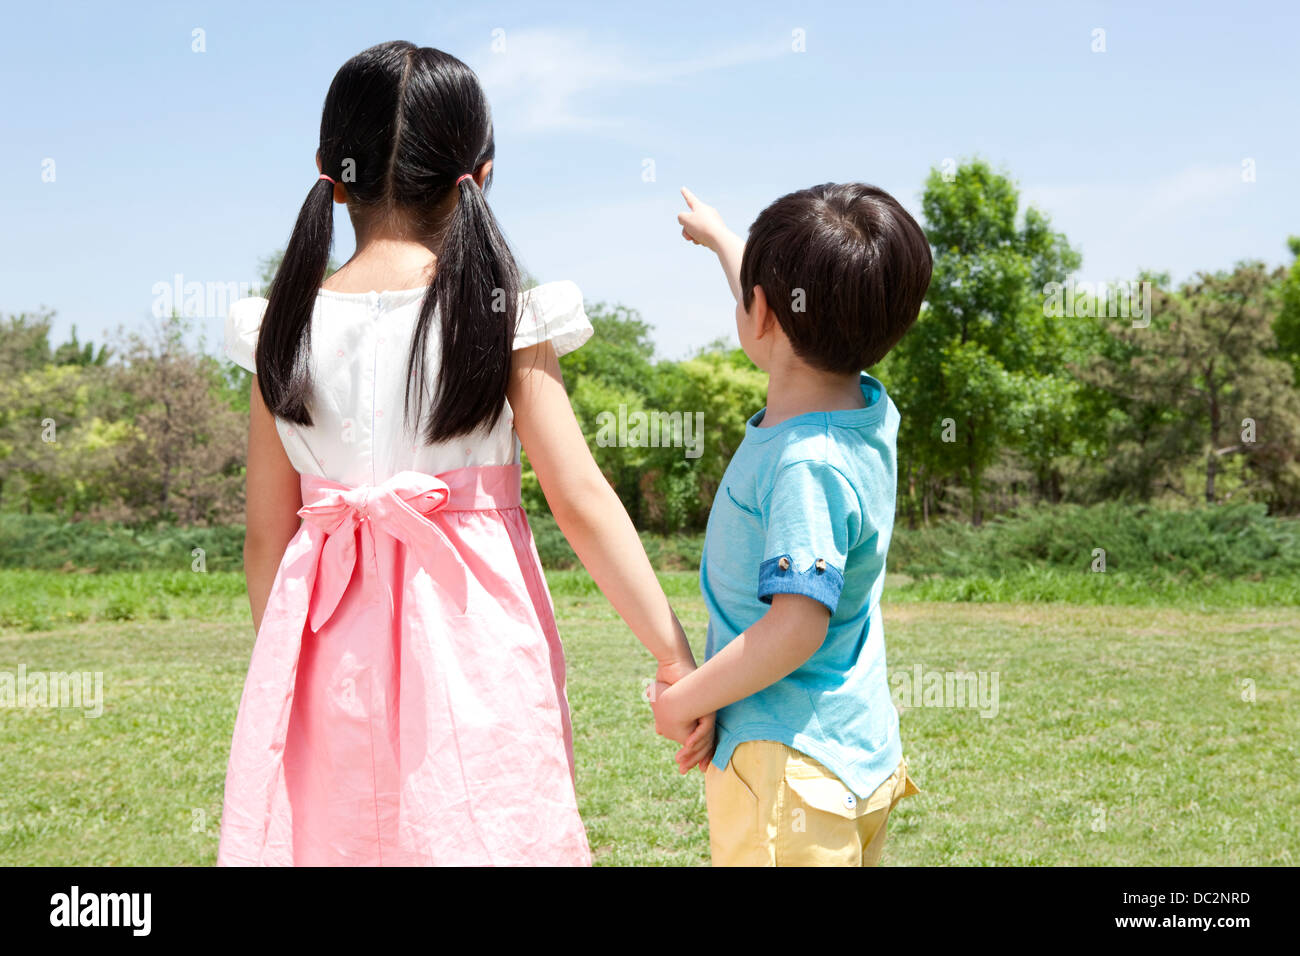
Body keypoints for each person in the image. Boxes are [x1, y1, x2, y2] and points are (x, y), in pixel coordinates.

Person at [218, 41, 712, 867]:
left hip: (325, 653)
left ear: (328, 173)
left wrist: (290, 674)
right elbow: (580, 499)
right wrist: (672, 658)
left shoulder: (283, 327)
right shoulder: (505, 318)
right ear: (480, 175)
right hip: (475, 646)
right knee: (485, 828)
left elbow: (267, 537)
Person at [652, 183, 931, 866]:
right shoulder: (862, 413)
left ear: (764, 314)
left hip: (786, 770)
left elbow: (796, 627)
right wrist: (722, 239)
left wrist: (684, 697)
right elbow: (797, 313)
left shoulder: (806, 464)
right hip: (850, 754)